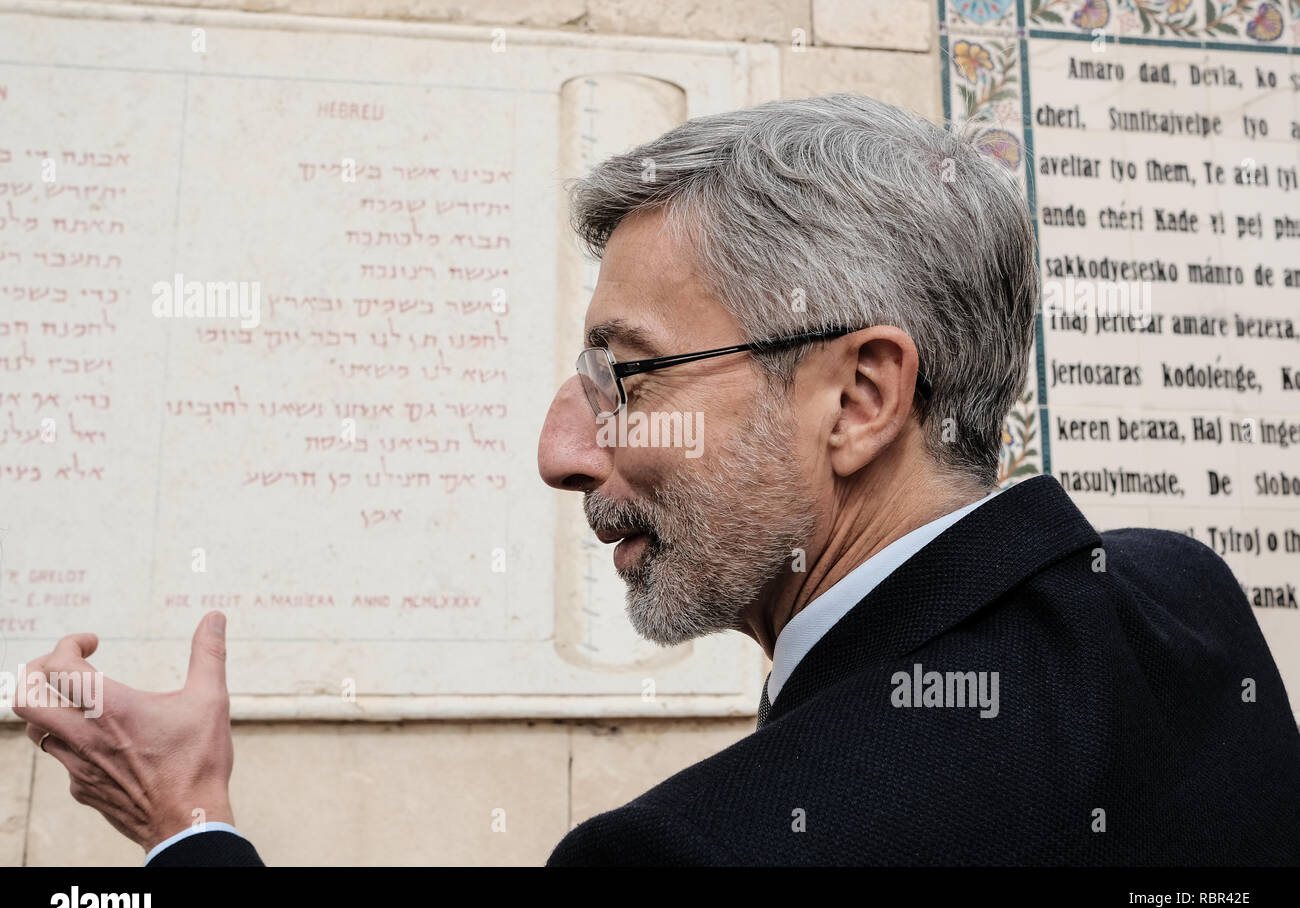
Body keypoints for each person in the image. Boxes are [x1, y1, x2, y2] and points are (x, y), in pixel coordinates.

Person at [17, 94, 1299, 865]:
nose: (561, 450)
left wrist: (185, 821)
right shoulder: (1178, 592)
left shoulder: (687, 854)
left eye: (627, 375)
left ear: (859, 396)